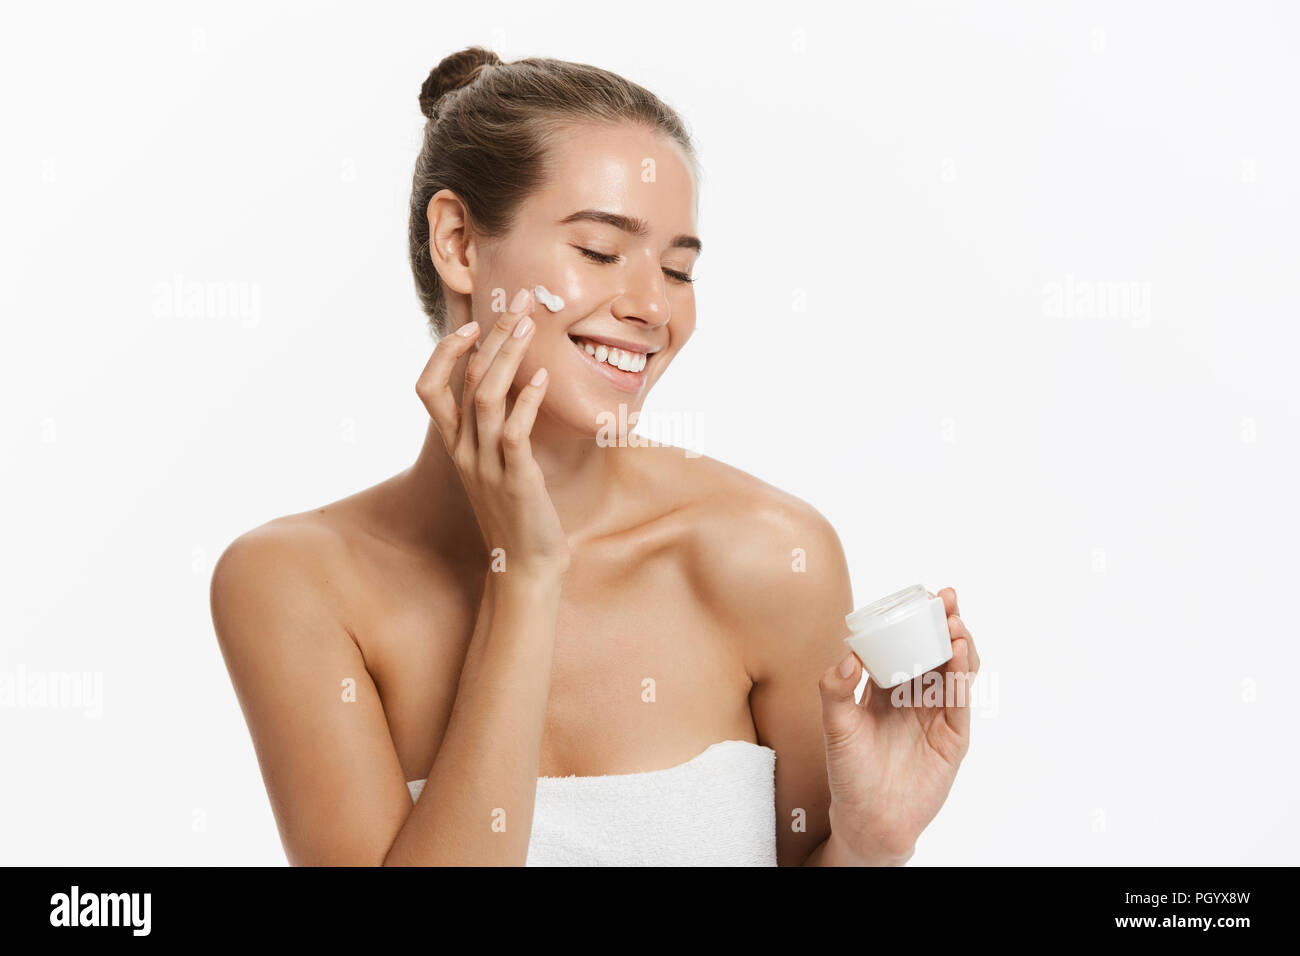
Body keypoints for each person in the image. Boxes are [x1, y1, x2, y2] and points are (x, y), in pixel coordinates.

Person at [211, 46, 980, 866]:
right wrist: (527, 579)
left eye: (678, 268)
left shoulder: (769, 557)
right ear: (460, 243)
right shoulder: (295, 586)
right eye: (601, 253)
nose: (653, 307)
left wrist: (868, 848)